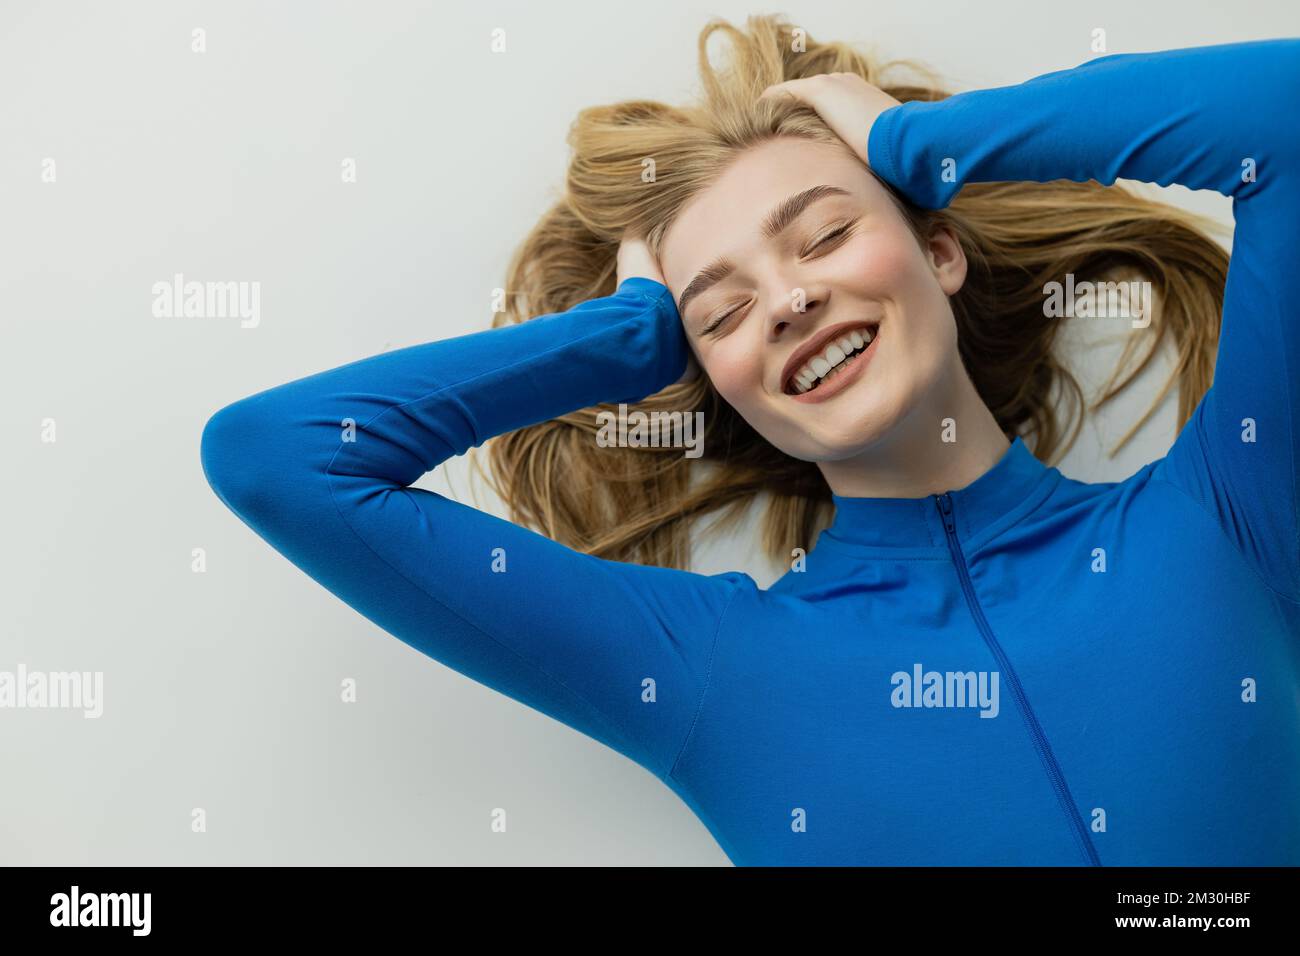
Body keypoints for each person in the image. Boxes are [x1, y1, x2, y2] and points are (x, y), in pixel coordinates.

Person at [200, 16, 1300, 865]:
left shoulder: (1225, 518)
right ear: (710, 377)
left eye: (824, 234)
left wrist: (917, 141)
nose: (783, 301)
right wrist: (622, 338)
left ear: (939, 250)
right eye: (718, 312)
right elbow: (279, 455)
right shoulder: (704, 671)